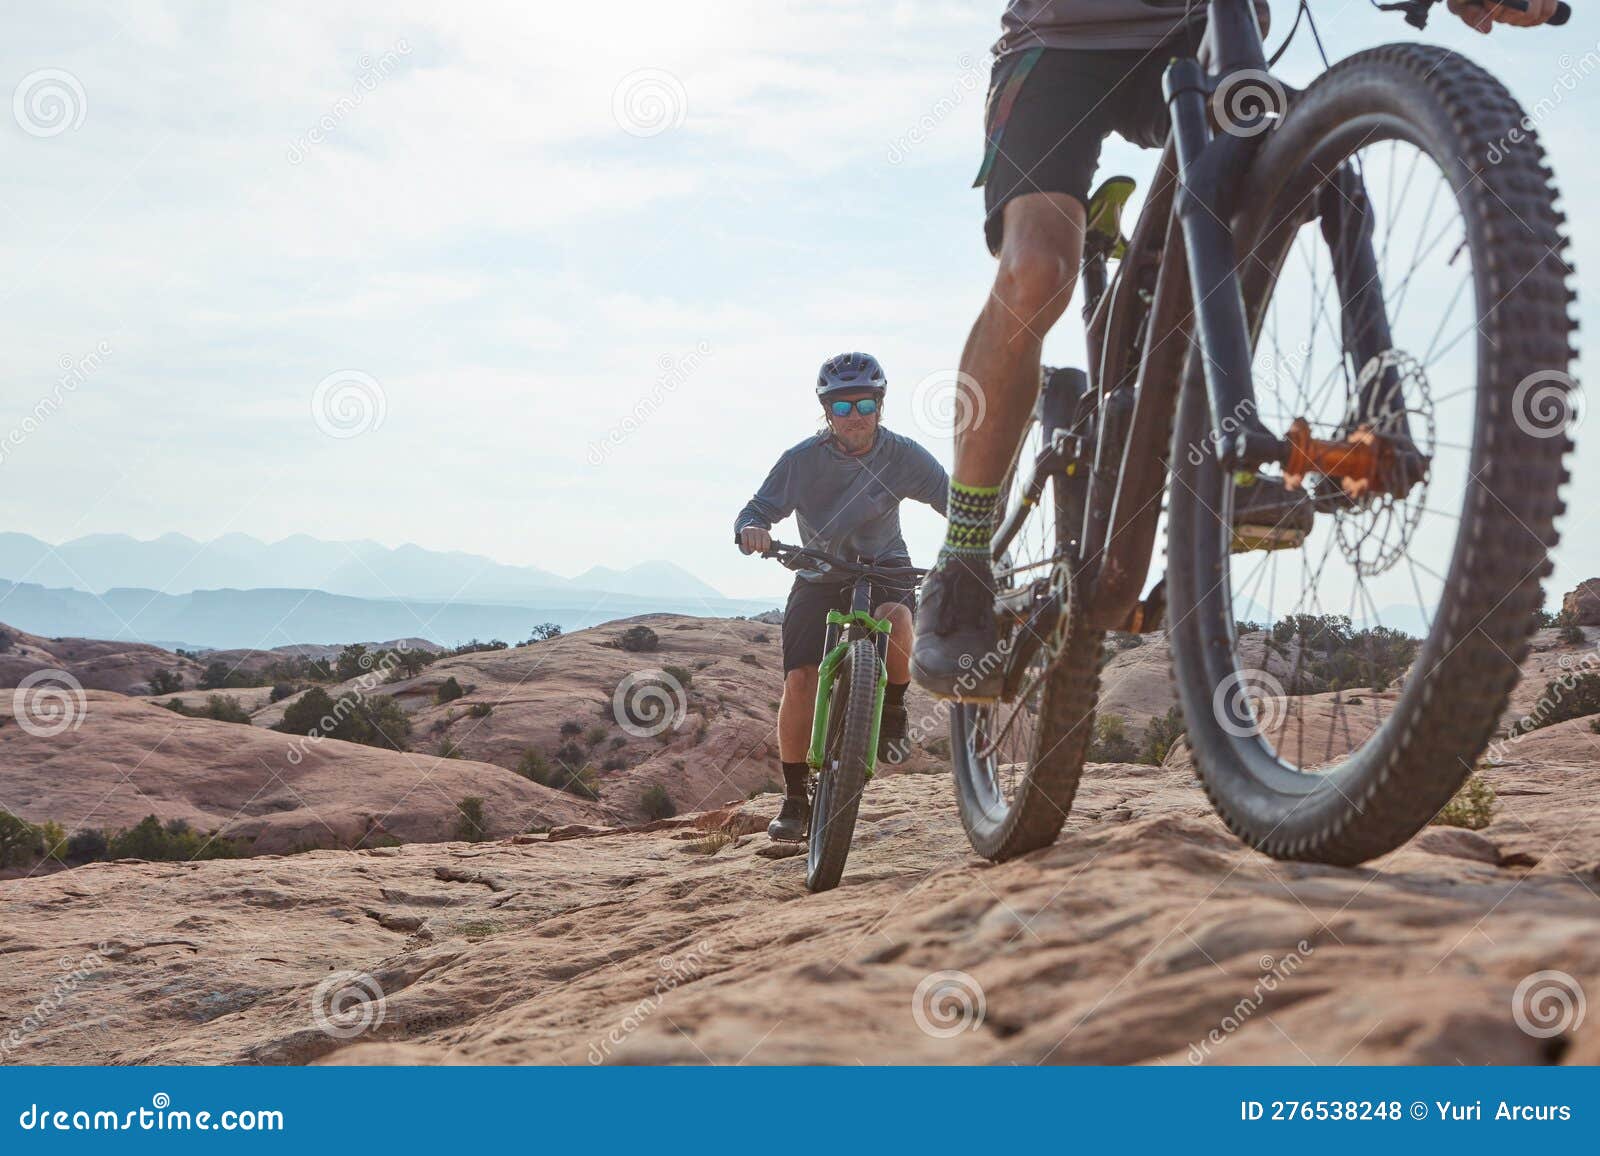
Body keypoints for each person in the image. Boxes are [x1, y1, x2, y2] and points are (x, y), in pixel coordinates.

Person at [911, 0, 1564, 700]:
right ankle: (964, 557)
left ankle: (1228, 427)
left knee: (1284, 152)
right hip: (1061, 42)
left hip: (1205, 25)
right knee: (1039, 268)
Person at [736, 353, 950, 841]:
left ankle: (893, 706)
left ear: (880, 404)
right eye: (841, 405)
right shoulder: (802, 460)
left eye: (863, 402)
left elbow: (952, 501)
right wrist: (752, 529)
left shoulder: (904, 456)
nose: (854, 414)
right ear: (826, 410)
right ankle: (794, 799)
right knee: (801, 677)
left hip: (886, 564)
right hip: (819, 570)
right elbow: (758, 509)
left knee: (896, 621)